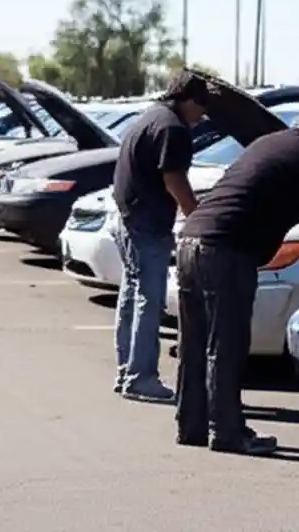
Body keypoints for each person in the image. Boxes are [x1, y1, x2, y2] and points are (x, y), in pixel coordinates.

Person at [173, 102, 299, 455]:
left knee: (194, 342)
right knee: (226, 345)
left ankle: (191, 425)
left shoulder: (268, 143)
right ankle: (228, 432)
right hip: (225, 252)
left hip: (190, 242)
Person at [111, 71, 205, 403]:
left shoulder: (149, 117)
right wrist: (197, 215)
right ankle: (141, 378)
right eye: (201, 106)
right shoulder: (172, 128)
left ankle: (127, 372)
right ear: (188, 100)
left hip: (127, 217)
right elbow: (174, 179)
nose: (202, 115)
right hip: (146, 224)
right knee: (149, 300)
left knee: (132, 297)